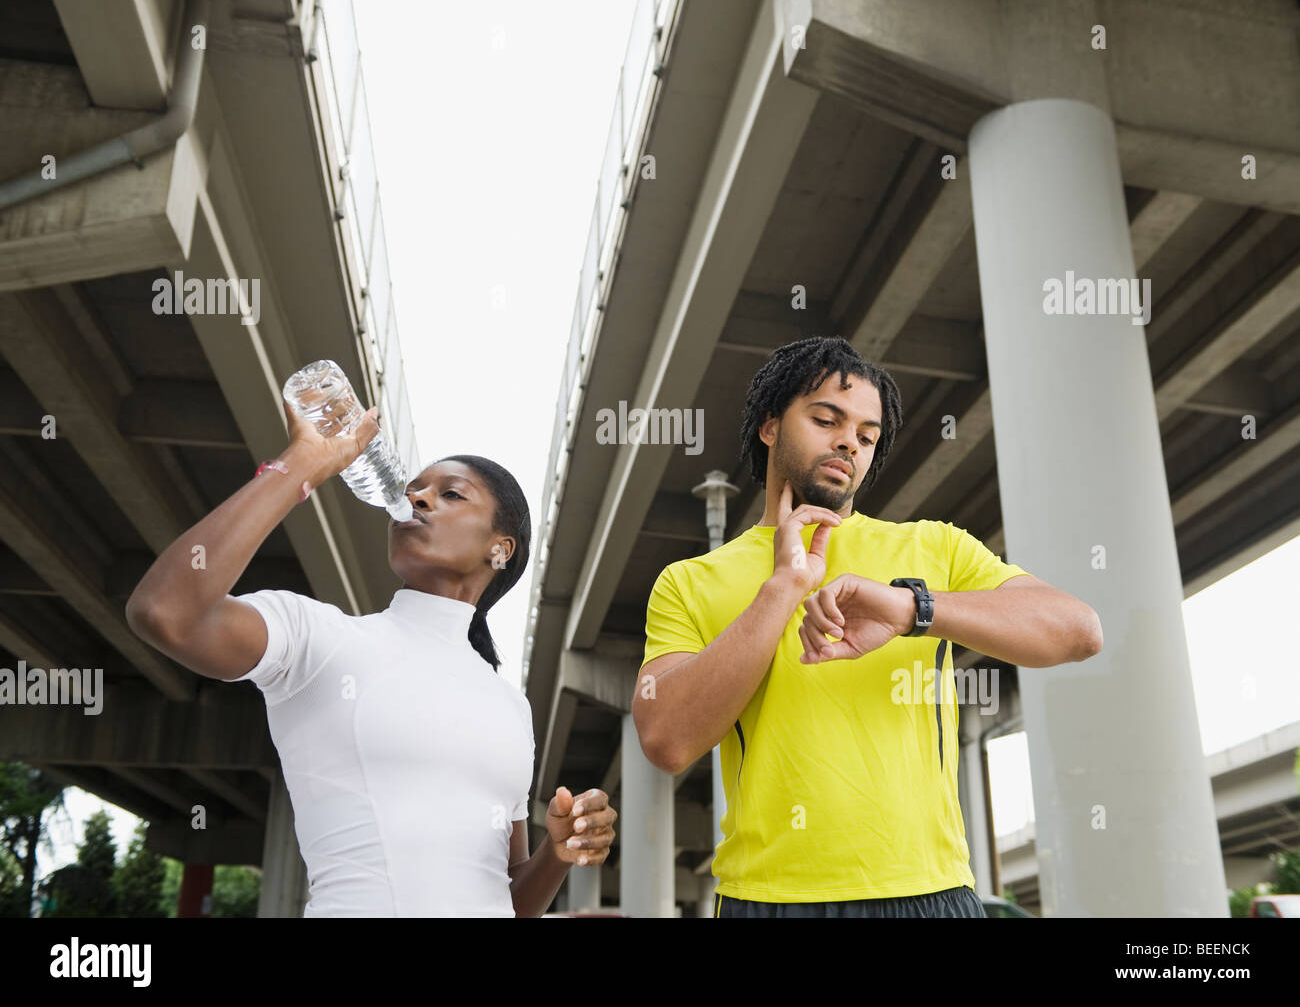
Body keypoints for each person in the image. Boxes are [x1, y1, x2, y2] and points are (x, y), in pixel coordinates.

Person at [634, 336, 1102, 917]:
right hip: (769, 900)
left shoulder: (934, 546)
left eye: (866, 434)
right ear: (770, 426)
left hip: (930, 894)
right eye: (826, 419)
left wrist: (912, 609)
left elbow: (1078, 631)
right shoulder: (690, 581)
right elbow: (666, 741)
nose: (847, 442)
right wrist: (781, 589)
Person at [126, 400, 615, 916]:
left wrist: (558, 853)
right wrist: (303, 464)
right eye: (414, 491)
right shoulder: (317, 638)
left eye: (449, 493)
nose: (418, 498)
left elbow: (507, 901)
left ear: (501, 549)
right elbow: (164, 612)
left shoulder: (511, 708)